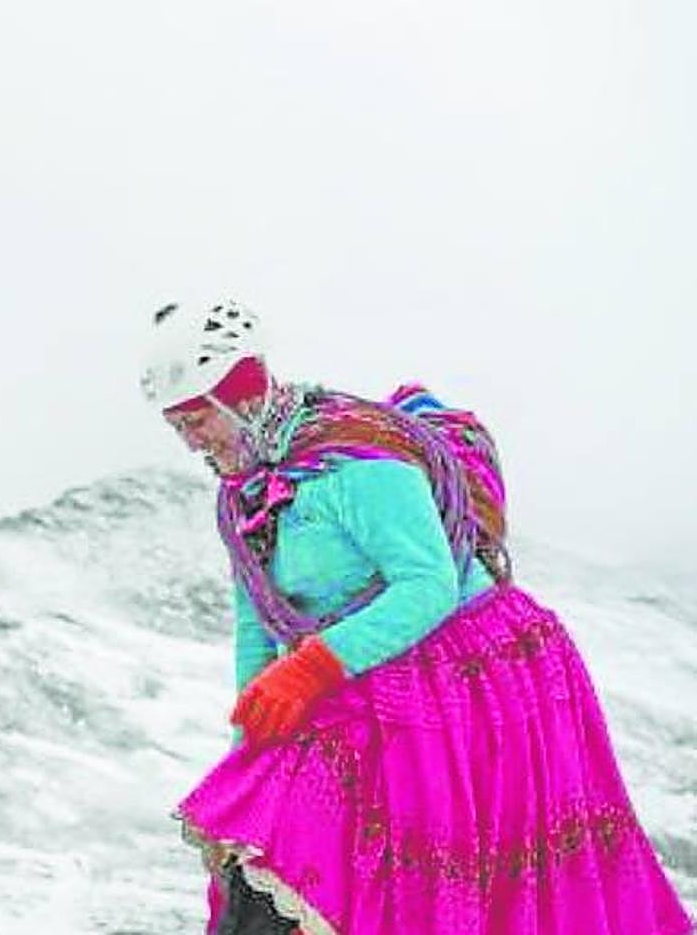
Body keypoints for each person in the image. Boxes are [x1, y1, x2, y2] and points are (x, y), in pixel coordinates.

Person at [141, 300, 692, 935]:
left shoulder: (358, 462)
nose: (190, 441)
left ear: (237, 393)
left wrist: (311, 670)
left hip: (476, 674)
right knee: (266, 860)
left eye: (196, 419)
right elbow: (257, 628)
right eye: (175, 426)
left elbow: (427, 584)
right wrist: (248, 752)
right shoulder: (242, 498)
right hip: (372, 673)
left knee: (442, 884)